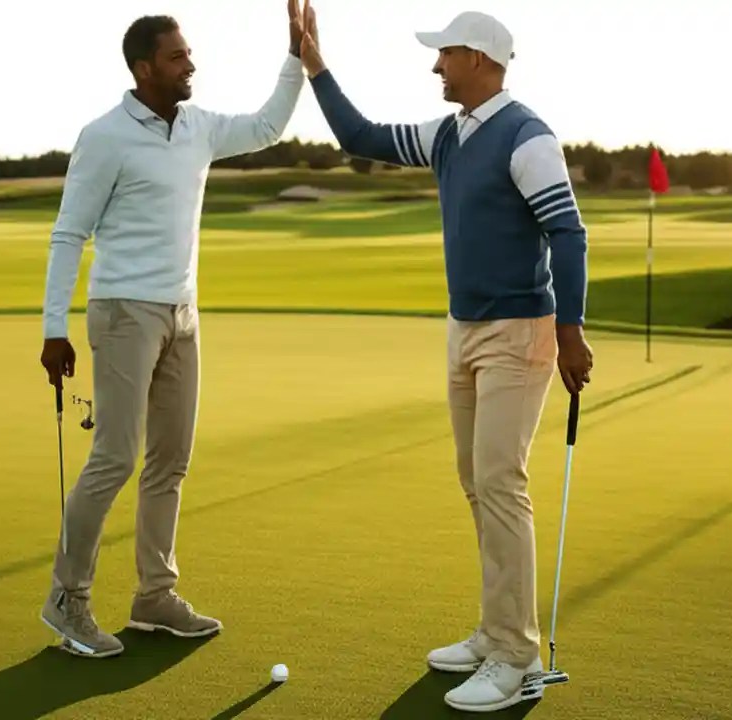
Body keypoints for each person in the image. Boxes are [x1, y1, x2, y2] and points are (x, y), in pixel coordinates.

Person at [298, 5, 594, 712]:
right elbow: (360, 136)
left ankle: (518, 658)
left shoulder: (528, 139)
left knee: (499, 483)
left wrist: (572, 331)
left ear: (483, 61)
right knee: (476, 482)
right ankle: (497, 634)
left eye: (447, 55)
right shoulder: (448, 135)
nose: (436, 66)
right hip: (464, 331)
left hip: (521, 332)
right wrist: (315, 66)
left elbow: (569, 236)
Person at [38, 4, 307, 658]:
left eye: (189, 54)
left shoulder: (199, 128)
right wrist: (55, 327)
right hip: (123, 311)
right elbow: (70, 232)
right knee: (116, 457)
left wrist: (297, 58)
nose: (192, 65)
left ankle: (154, 597)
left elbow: (268, 125)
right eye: (178, 57)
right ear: (144, 68)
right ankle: (67, 597)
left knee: (170, 461)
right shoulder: (103, 135)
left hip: (183, 316)